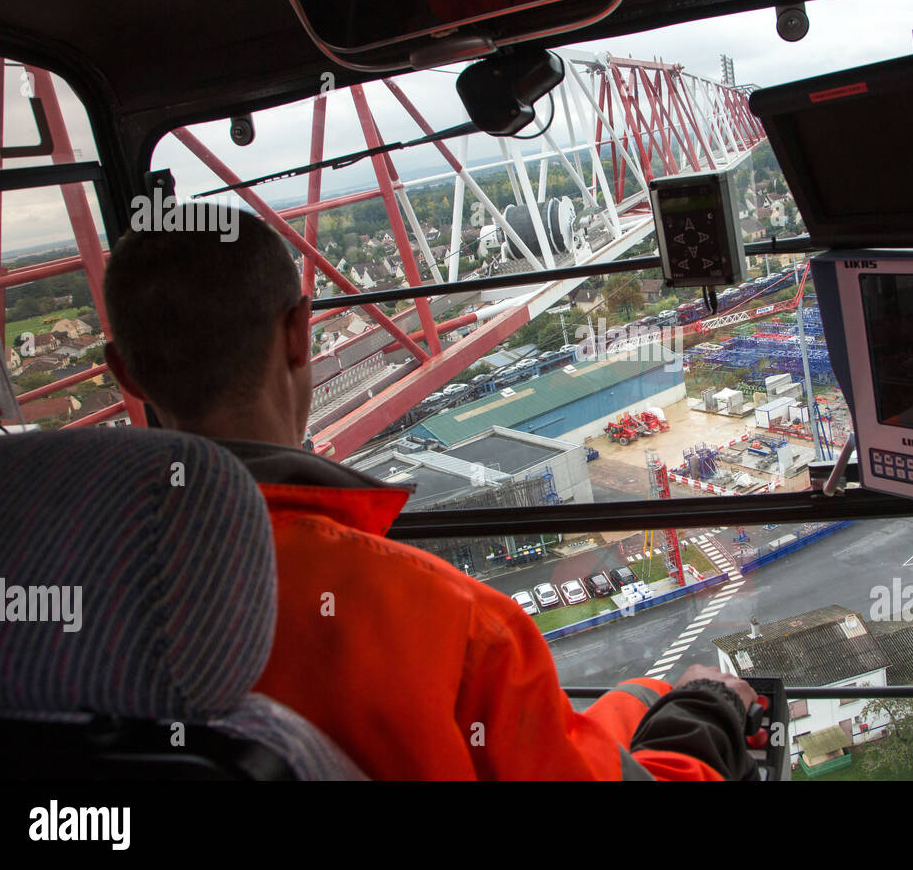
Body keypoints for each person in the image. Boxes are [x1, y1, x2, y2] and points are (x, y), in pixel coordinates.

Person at [103, 206, 758, 780]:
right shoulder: (451, 623)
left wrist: (640, 697)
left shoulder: (73, 600)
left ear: (125, 374)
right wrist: (704, 710)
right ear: (300, 332)